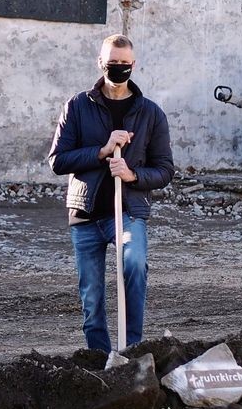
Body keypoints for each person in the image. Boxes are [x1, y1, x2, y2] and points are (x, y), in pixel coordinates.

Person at [48, 34, 174, 353]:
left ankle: (131, 350)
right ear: (100, 63)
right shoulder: (77, 107)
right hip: (86, 216)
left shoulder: (150, 114)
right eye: (112, 63)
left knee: (135, 263)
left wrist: (132, 175)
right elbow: (58, 160)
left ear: (133, 65)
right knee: (92, 297)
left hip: (128, 212)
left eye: (124, 64)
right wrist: (102, 151)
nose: (118, 68)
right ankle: (100, 359)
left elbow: (164, 170)